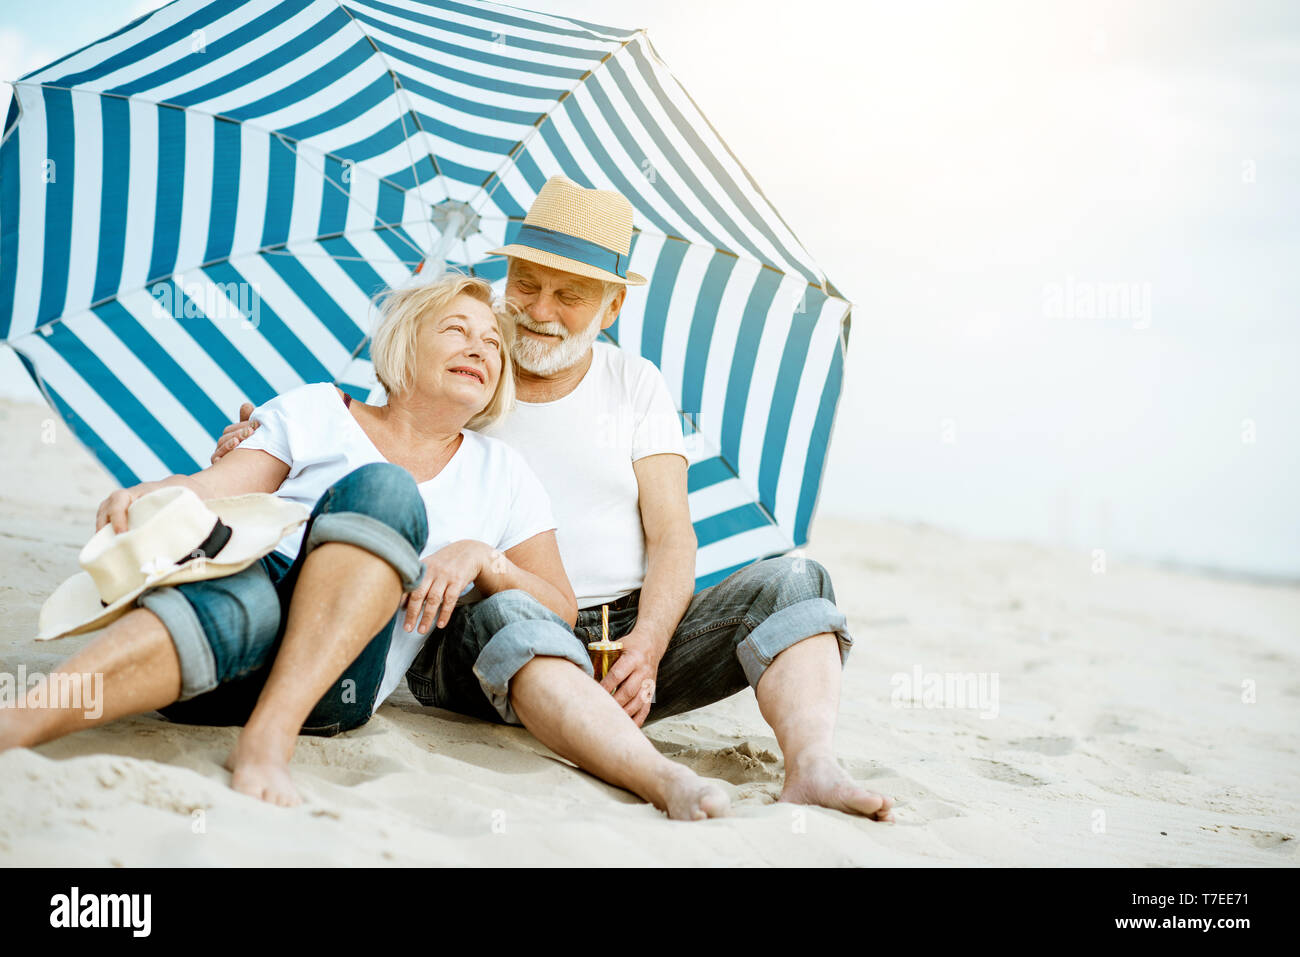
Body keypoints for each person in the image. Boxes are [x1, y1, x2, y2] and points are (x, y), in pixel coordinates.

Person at [214, 177, 894, 823]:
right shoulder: (472, 364)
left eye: (570, 295)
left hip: (626, 639)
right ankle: (654, 775)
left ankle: (811, 765)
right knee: (514, 606)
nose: (539, 311)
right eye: (529, 285)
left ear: (612, 306)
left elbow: (673, 534)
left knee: (797, 578)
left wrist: (649, 648)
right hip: (479, 621)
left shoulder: (635, 384)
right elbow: (381, 426)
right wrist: (265, 436)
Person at [0, 275, 589, 809]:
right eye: (456, 330)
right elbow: (215, 489)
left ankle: (270, 737)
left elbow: (559, 605)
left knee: (386, 492)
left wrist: (488, 561)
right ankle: (20, 725)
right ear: (404, 347)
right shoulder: (317, 408)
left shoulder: (504, 473)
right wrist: (152, 491)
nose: (479, 347)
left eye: (491, 342)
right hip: (222, 651)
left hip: (335, 684)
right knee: (243, 589)